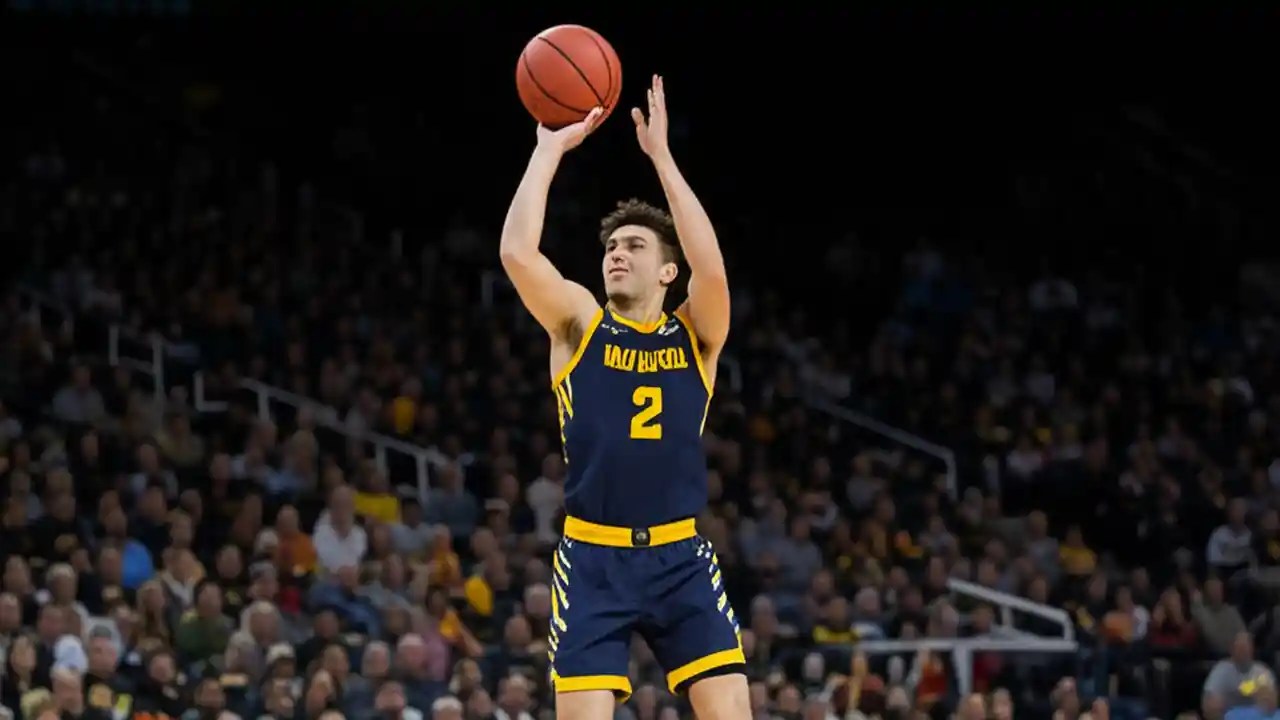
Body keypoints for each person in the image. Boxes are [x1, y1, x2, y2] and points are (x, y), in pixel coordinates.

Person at [498, 74, 744, 720]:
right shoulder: (580, 323)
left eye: (634, 246)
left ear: (668, 270)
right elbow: (518, 254)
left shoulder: (696, 335)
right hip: (593, 556)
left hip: (681, 555)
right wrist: (548, 150)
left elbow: (712, 269)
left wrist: (661, 157)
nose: (615, 253)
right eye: (610, 245)